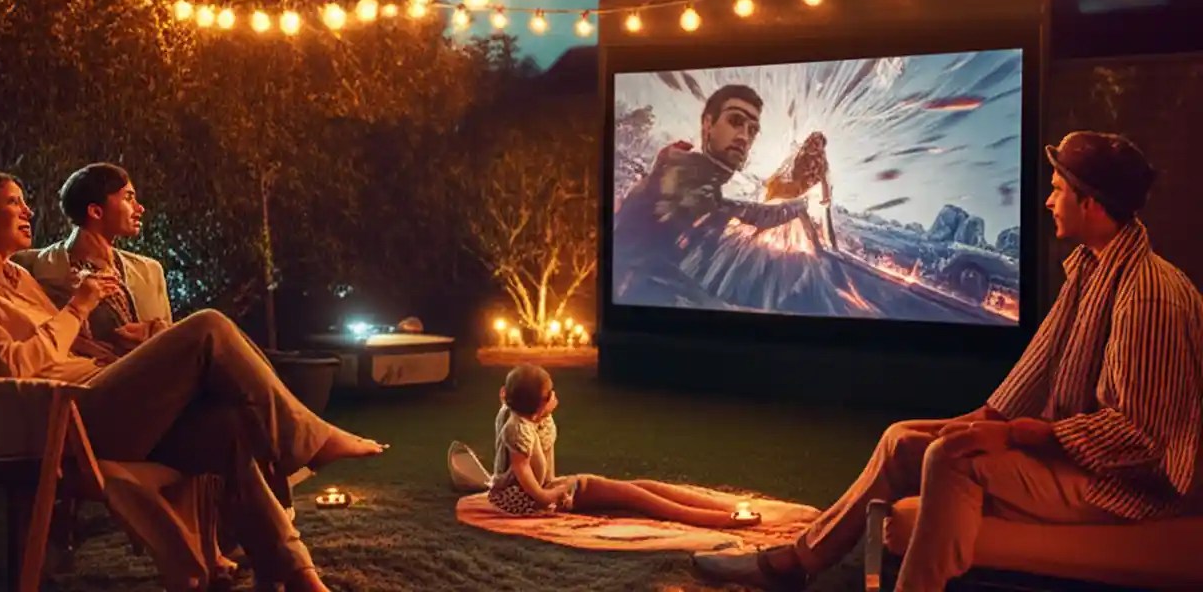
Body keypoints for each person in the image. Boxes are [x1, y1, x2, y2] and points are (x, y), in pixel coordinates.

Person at [692, 131, 1203, 591]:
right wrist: (978, 423)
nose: (1048, 200)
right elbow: (1034, 370)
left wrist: (1011, 435)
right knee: (903, 440)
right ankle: (797, 562)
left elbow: (1138, 437)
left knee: (948, 459)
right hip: (1074, 458)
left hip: (1123, 487)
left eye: (1057, 190)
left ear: (1090, 203)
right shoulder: (1090, 271)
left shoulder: (1148, 294)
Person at [0, 169, 391, 592]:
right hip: (61, 419)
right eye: (13, 202)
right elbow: (16, 366)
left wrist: (130, 344)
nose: (28, 211)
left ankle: (294, 572)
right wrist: (78, 307)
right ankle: (307, 437)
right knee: (208, 327)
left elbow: (66, 344)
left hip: (94, 398)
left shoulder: (19, 279)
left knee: (227, 425)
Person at [489, 363, 761, 528]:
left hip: (553, 489)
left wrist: (542, 415)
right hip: (546, 500)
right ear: (537, 405)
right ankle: (721, 519)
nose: (555, 397)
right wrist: (557, 494)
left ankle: (723, 508)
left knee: (642, 487)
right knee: (635, 496)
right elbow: (532, 487)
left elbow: (536, 469)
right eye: (549, 395)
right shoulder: (517, 430)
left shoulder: (522, 417)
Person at [612, 84, 810, 307]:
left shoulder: (701, 181)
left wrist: (796, 205)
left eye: (752, 130)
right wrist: (797, 203)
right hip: (637, 298)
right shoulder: (683, 171)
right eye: (735, 121)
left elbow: (730, 209)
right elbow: (723, 207)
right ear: (708, 124)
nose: (744, 137)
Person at [13, 163, 170, 356]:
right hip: (84, 378)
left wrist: (157, 331)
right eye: (128, 198)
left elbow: (172, 346)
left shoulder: (150, 271)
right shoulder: (30, 267)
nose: (140, 208)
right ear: (96, 211)